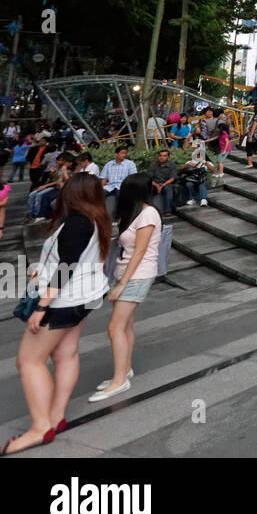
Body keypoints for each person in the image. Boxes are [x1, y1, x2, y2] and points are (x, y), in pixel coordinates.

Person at [5, 173, 111, 454]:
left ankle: (41, 428)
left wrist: (41, 307)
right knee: (66, 354)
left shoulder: (77, 222)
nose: (61, 186)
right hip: (85, 296)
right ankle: (55, 417)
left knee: (29, 361)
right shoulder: (96, 219)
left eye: (65, 184)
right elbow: (75, 260)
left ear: (74, 193)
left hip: (65, 300)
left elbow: (68, 265)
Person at [90, 172, 163, 403]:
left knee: (114, 327)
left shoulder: (148, 214)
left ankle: (120, 380)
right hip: (127, 272)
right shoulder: (135, 213)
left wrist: (121, 285)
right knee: (125, 325)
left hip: (138, 276)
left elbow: (140, 252)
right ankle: (125, 369)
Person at [100, 144, 137, 219]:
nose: (124, 155)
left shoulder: (130, 164)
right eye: (122, 153)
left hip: (122, 186)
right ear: (116, 154)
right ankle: (99, 215)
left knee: (119, 195)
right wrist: (100, 188)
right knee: (98, 194)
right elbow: (104, 178)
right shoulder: (109, 164)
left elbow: (133, 177)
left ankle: (117, 216)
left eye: (125, 153)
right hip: (109, 186)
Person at [179, 139, 214, 206]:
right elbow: (180, 168)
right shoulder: (191, 161)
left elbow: (212, 169)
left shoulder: (206, 162)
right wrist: (188, 164)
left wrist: (206, 163)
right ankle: (191, 199)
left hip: (201, 178)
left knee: (201, 185)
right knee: (189, 184)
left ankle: (203, 200)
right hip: (192, 178)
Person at [146, 147, 177, 216]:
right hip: (154, 184)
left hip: (166, 183)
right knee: (146, 189)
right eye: (160, 155)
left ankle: (167, 211)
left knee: (168, 190)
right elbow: (149, 178)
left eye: (164, 156)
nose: (161, 157)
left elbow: (173, 178)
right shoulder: (153, 165)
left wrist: (163, 185)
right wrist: (157, 185)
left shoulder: (172, 165)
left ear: (168, 157)